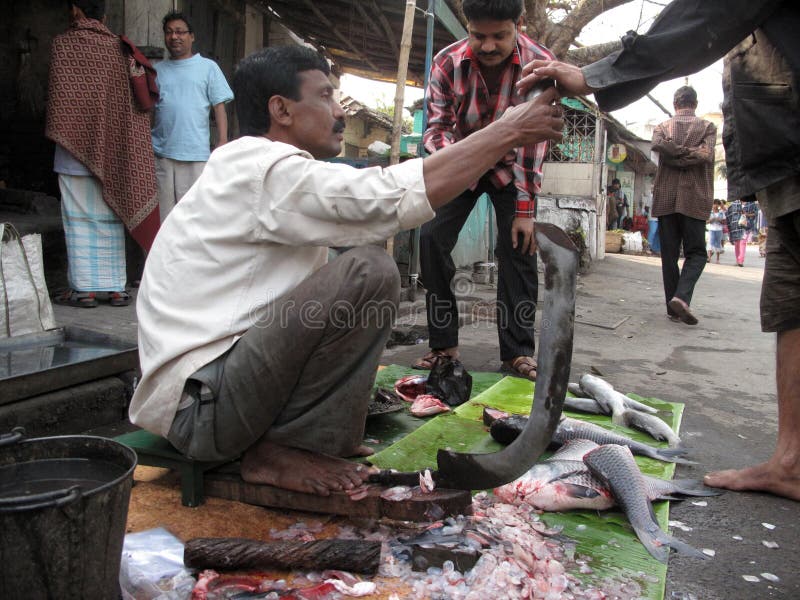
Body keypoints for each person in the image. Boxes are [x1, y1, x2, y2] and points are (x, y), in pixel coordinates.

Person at [129, 45, 563, 497]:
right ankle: (283, 450)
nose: (339, 112)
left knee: (356, 271)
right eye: (325, 96)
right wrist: (508, 130)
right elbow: (388, 197)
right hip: (201, 410)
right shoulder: (261, 169)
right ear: (281, 110)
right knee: (369, 271)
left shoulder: (263, 170)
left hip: (212, 398)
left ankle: (307, 438)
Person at [519, 0, 800, 500]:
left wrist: (593, 77)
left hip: (744, 172)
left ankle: (678, 298)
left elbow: (708, 16)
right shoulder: (696, 130)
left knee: (738, 277)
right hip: (770, 173)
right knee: (789, 303)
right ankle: (792, 462)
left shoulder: (665, 129)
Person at [414, 0, 555, 381]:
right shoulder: (446, 63)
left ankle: (517, 353)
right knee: (430, 237)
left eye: (499, 36)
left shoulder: (540, 65)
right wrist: (458, 165)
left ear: (519, 24)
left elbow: (534, 139)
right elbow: (437, 129)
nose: (488, 46)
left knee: (519, 248)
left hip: (513, 168)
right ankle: (443, 346)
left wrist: (525, 210)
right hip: (461, 161)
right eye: (478, 36)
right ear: (467, 25)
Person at [46, 0, 158, 308]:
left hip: (72, 150)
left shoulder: (62, 45)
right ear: (105, 15)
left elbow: (60, 99)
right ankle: (114, 287)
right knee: (110, 216)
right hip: (112, 150)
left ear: (75, 11)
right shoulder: (118, 49)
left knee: (78, 218)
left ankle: (85, 289)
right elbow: (132, 104)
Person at [152, 11, 234, 222]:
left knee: (193, 217)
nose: (174, 37)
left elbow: (219, 106)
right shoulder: (157, 71)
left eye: (180, 32)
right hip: (162, 155)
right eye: (169, 32)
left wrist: (222, 140)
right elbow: (149, 110)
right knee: (164, 219)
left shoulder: (208, 68)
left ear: (192, 36)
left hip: (195, 154)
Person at [649, 85, 716, 325]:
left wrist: (674, 153)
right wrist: (691, 153)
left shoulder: (661, 128)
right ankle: (681, 297)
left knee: (669, 255)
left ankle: (673, 308)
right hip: (694, 198)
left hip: (666, 199)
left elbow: (660, 146)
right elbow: (705, 154)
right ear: (695, 104)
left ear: (675, 104)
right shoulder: (707, 127)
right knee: (696, 253)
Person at [726, 195, 755, 267]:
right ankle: (737, 260)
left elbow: (755, 214)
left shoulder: (751, 203)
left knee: (743, 242)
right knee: (737, 243)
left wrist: (747, 214)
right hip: (735, 227)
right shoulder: (734, 204)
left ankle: (740, 261)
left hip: (746, 226)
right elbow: (729, 215)